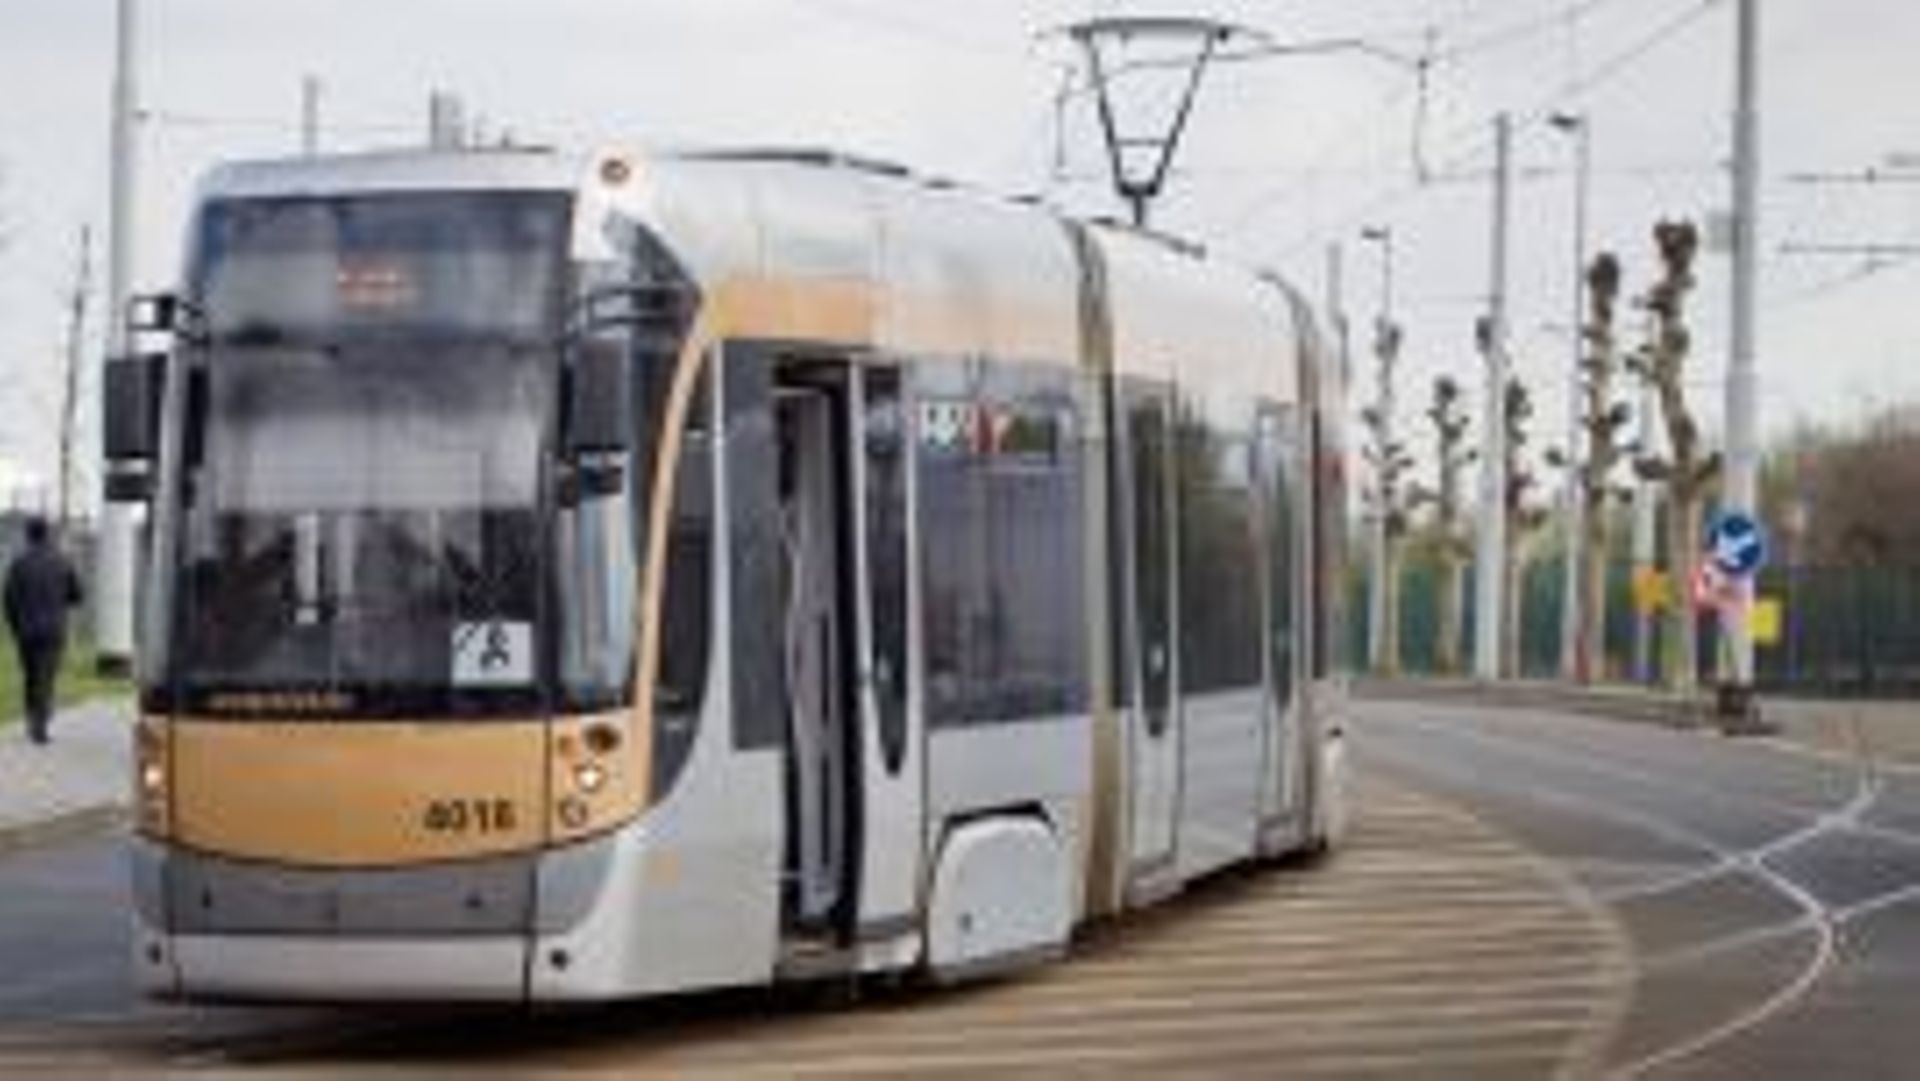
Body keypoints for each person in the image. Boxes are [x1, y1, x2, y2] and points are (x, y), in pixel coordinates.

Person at [3, 517, 84, 745]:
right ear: (47, 534)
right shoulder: (63, 561)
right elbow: (78, 595)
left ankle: (32, 717)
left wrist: (14, 626)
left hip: (26, 631)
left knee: (30, 675)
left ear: (28, 535)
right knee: (46, 676)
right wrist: (61, 599)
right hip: (53, 630)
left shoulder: (18, 563)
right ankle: (40, 722)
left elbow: (8, 598)